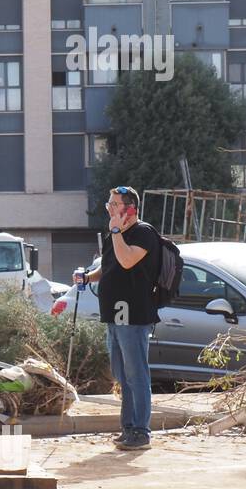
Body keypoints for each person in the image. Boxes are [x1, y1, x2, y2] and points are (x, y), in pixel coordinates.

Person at [73, 186, 161, 451]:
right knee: (122, 374)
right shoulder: (117, 235)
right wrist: (89, 277)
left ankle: (141, 431)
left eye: (114, 204)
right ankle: (128, 428)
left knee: (137, 373)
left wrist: (115, 231)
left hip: (133, 314)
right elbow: (109, 265)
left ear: (130, 209)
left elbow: (126, 261)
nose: (109, 209)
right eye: (108, 204)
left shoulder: (143, 233)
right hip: (114, 312)